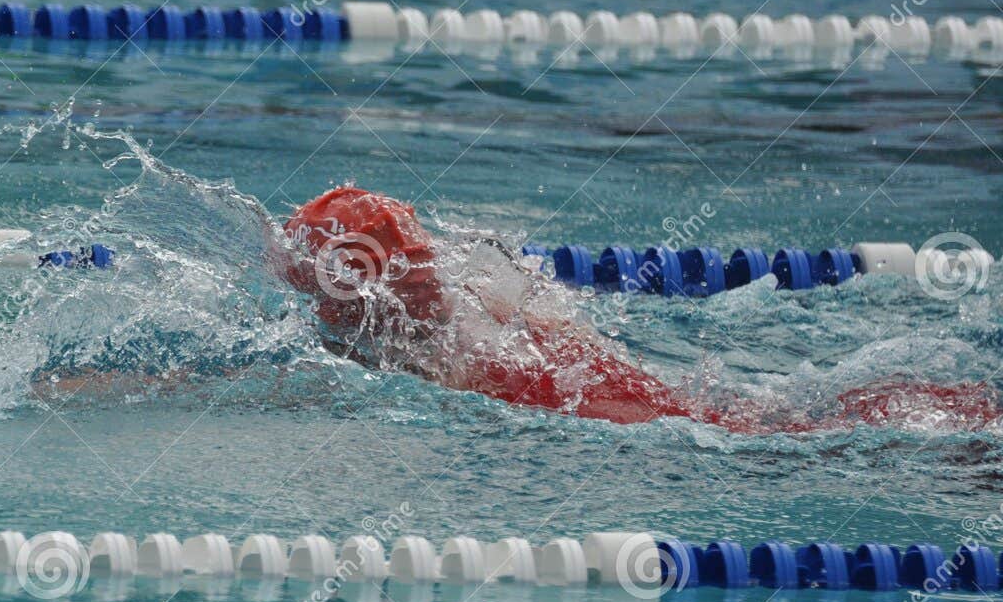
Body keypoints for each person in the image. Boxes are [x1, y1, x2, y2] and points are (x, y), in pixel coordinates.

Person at [277, 186, 998, 434]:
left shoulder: (445, 362)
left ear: (355, 292)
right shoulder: (483, 291)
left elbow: (300, 394)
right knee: (791, 421)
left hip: (684, 435)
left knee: (800, 436)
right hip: (666, 398)